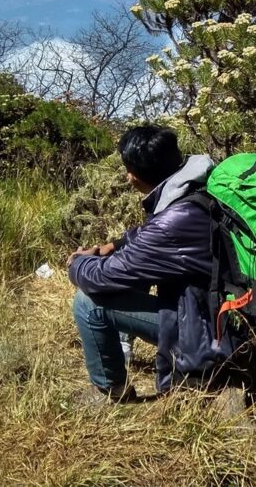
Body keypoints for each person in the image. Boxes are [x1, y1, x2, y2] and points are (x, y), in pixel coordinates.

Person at [68, 125, 224, 403]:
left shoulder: (172, 223)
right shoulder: (203, 186)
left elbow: (102, 278)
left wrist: (77, 263)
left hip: (209, 333)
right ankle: (124, 347)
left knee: (88, 303)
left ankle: (111, 392)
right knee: (136, 270)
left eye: (128, 170)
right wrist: (114, 245)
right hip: (230, 314)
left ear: (135, 175)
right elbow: (155, 235)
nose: (127, 177)